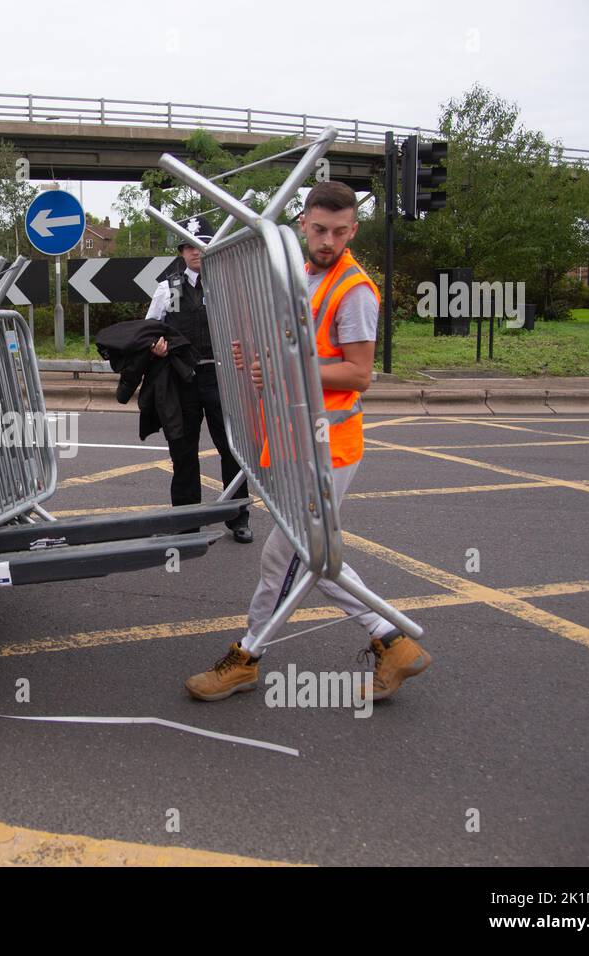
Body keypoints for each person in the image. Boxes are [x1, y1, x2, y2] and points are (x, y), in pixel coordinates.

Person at [184, 181, 432, 702]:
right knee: (310, 555)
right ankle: (392, 641)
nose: (328, 240)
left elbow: (359, 374)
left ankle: (248, 655)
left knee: (288, 557)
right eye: (320, 229)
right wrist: (257, 358)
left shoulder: (354, 289)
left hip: (328, 446)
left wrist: (284, 367)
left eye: (340, 232)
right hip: (297, 441)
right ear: (303, 223)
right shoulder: (303, 276)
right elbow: (293, 349)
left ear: (353, 230)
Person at [145, 215, 252, 543]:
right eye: (189, 246)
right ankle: (186, 520)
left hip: (220, 376)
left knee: (232, 449)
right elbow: (149, 331)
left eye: (201, 245)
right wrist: (157, 348)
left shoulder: (227, 286)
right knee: (183, 450)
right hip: (182, 379)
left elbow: (244, 327)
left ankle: (238, 518)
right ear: (181, 251)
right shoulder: (167, 288)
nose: (195, 252)